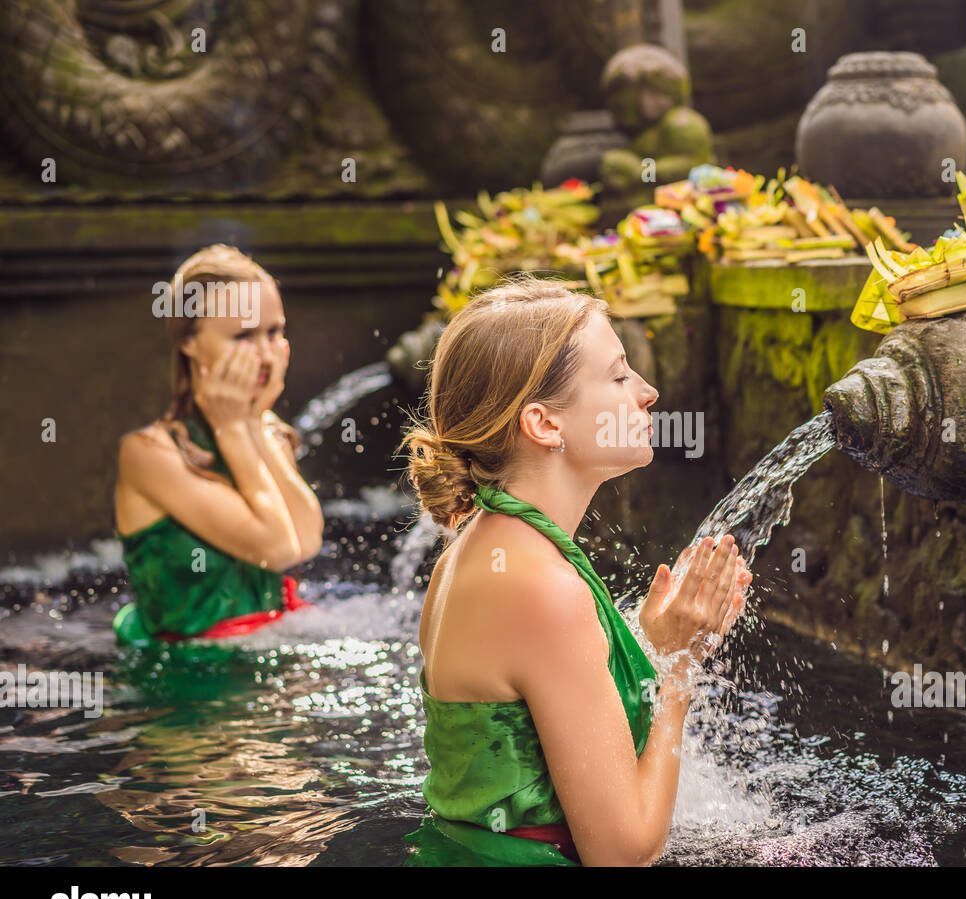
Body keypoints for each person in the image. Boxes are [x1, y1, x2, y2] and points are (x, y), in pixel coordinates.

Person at [400, 275, 751, 867]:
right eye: (618, 376)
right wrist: (681, 669)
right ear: (545, 424)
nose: (648, 392)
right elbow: (623, 851)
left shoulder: (484, 547)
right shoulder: (541, 586)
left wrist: (658, 645)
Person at [112, 244, 323, 648]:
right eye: (243, 336)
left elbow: (306, 540)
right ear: (188, 341)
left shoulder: (267, 429)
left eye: (274, 332)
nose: (264, 355)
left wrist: (251, 425)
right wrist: (230, 428)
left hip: (269, 657)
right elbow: (277, 549)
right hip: (185, 682)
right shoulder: (149, 454)